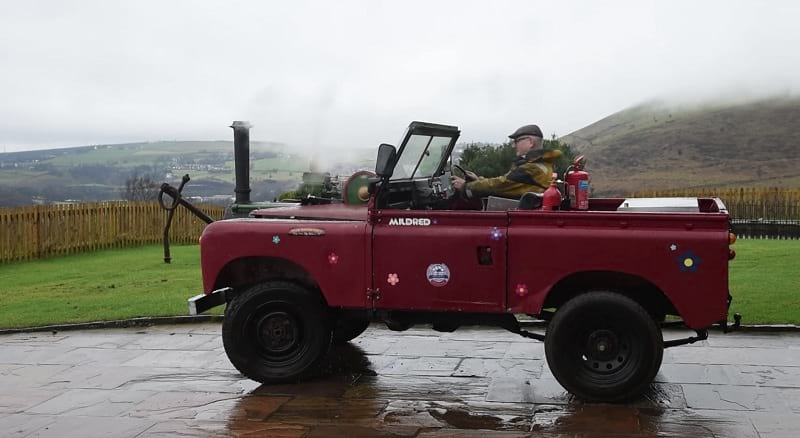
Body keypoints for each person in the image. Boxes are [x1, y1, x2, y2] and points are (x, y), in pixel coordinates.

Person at [452, 124, 561, 199]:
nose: (513, 145)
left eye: (517, 141)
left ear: (530, 142)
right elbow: (507, 182)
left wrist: (465, 186)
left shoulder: (530, 169)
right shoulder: (543, 164)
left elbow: (500, 185)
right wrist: (478, 180)